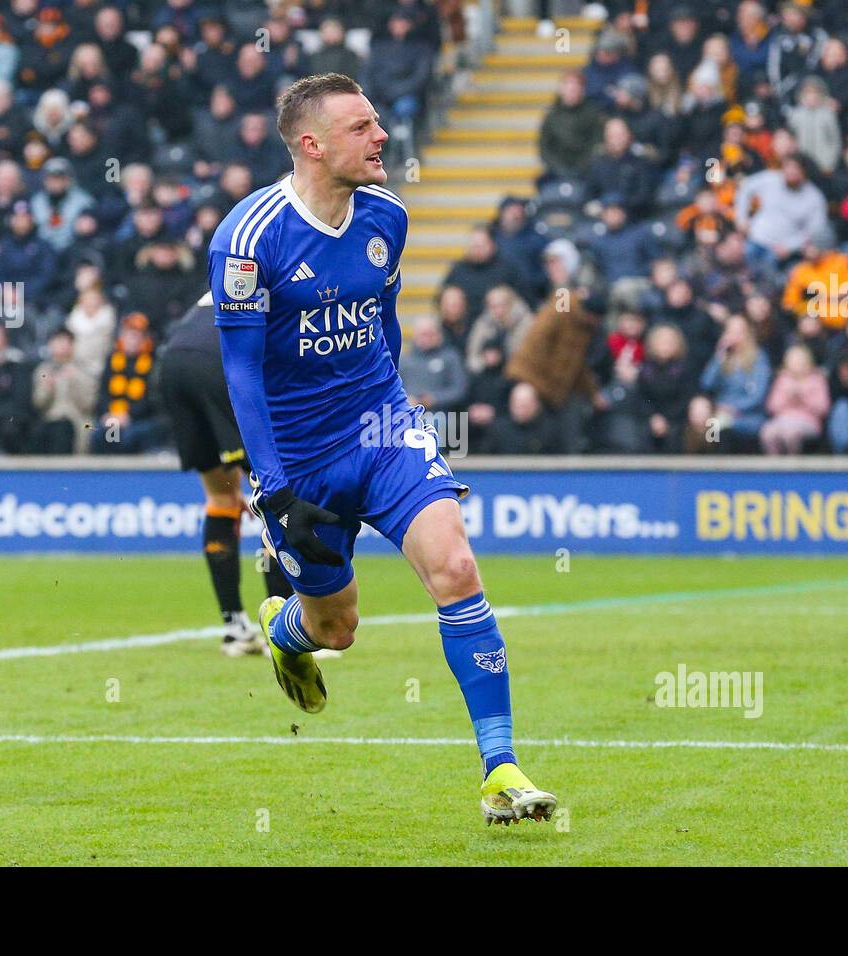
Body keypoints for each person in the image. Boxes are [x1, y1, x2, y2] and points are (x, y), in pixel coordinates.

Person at [207, 73, 556, 825]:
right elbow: (238, 371)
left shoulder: (388, 217)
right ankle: (282, 629)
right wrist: (271, 489)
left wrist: (396, 411)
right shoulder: (247, 238)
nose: (382, 137)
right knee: (338, 629)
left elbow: (386, 323)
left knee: (457, 567)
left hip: (381, 428)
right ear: (312, 144)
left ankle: (500, 769)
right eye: (362, 127)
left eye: (377, 123)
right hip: (298, 460)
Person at [158, 292, 294, 657]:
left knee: (220, 497)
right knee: (277, 494)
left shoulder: (227, 274)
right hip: (219, 363)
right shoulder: (284, 273)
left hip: (172, 364)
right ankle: (279, 633)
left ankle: (234, 629)